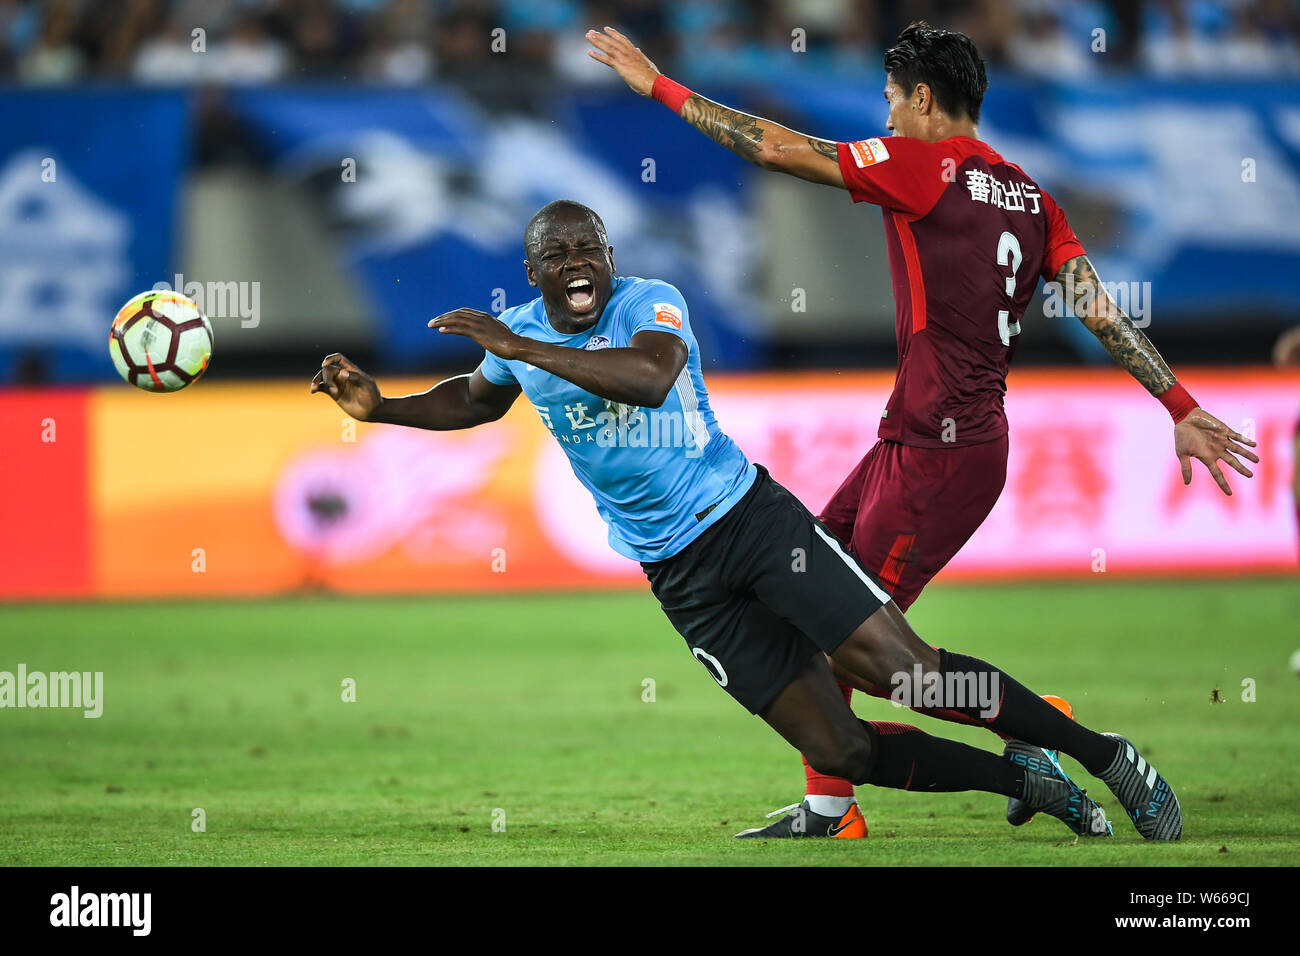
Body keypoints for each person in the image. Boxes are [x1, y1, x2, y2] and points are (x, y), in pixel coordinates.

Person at [311, 199, 1182, 842]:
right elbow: (472, 398)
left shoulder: (648, 301)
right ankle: (1036, 781)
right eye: (556, 254)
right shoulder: (521, 340)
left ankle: (1105, 755)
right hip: (682, 578)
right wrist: (379, 406)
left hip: (751, 525)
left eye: (590, 248)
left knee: (909, 674)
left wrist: (524, 348)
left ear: (610, 257)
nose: (577, 261)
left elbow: (649, 377)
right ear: (533, 270)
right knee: (841, 749)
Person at [586, 21, 1257, 837]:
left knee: (869, 657)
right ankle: (840, 805)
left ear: (926, 99)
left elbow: (775, 148)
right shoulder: (1031, 195)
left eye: (892, 102)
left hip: (941, 458)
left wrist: (660, 85)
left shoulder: (923, 166)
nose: (888, 117)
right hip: (915, 444)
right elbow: (1098, 312)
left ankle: (1081, 744)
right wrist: (1179, 406)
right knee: (810, 612)